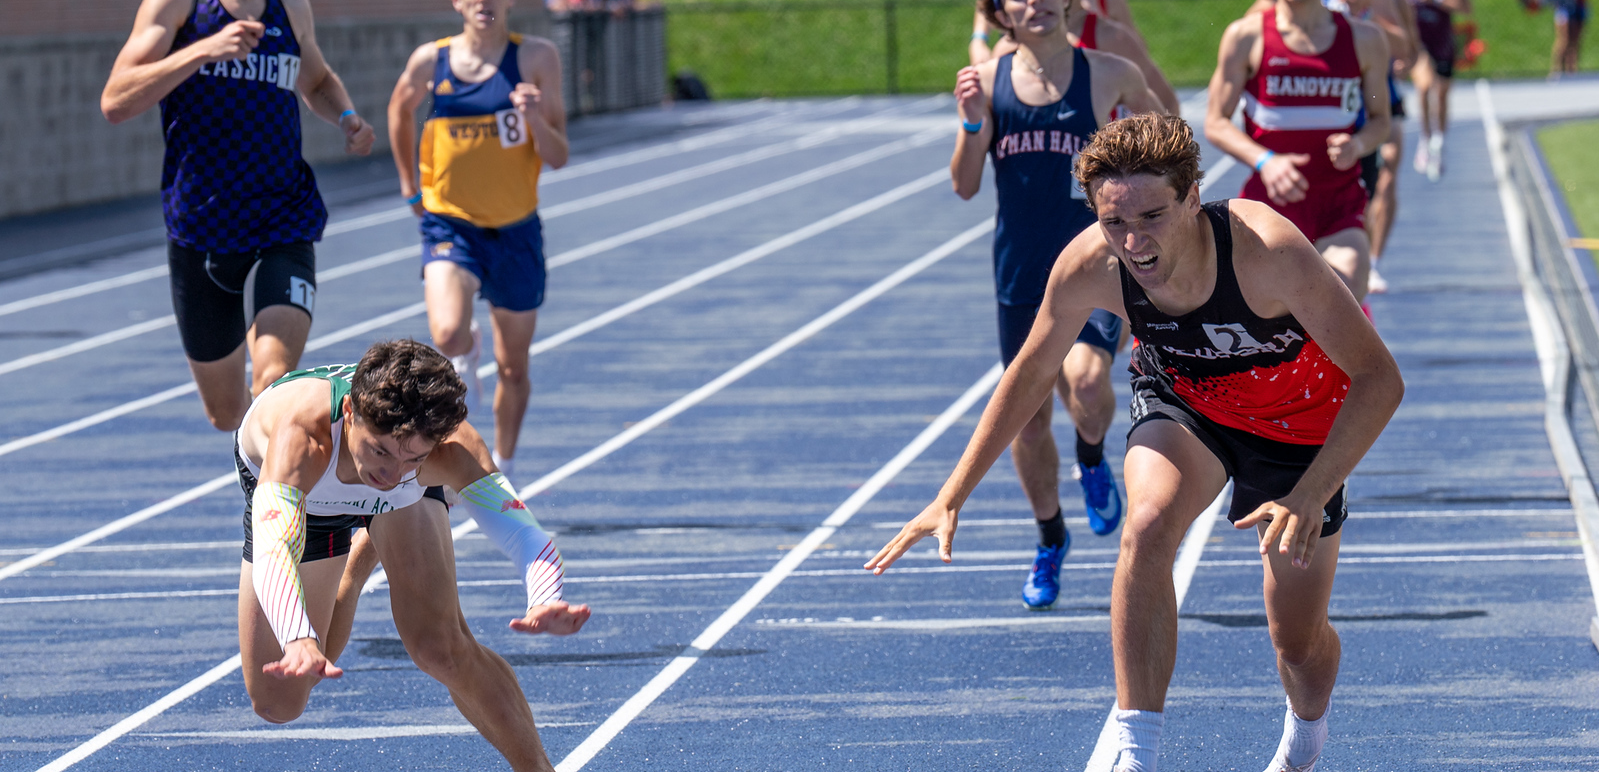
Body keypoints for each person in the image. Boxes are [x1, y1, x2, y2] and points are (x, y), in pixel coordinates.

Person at [868, 114, 1404, 772]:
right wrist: (950, 495)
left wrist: (1310, 491)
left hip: (1294, 429)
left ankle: (1304, 734)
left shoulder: (1267, 251)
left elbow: (1380, 380)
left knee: (1295, 642)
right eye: (1113, 222)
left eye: (1151, 216)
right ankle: (1137, 752)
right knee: (1145, 525)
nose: (1134, 242)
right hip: (1186, 403)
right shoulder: (1090, 264)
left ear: (1190, 197)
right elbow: (1031, 373)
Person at [236, 338, 590, 772]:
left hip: (403, 505)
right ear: (350, 412)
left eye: (412, 459)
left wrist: (545, 595)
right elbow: (277, 551)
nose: (389, 473)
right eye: (379, 450)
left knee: (440, 649)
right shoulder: (301, 440)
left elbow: (523, 534)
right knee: (278, 703)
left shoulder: (443, 451)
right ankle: (361, 555)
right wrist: (298, 638)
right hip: (308, 504)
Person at [956, 0, 1162, 610]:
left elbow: (1171, 159)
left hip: (1095, 267)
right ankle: (1050, 537)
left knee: (1090, 382)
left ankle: (1092, 458)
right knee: (1027, 418)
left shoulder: (1110, 73)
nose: (1036, 3)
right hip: (1020, 275)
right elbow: (965, 185)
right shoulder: (988, 82)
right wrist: (971, 123)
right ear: (1000, 11)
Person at [101, 0, 376, 432]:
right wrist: (203, 50)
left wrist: (346, 117)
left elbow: (317, 78)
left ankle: (271, 498)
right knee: (227, 414)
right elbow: (115, 100)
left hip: (282, 220)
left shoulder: (290, 8)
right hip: (201, 231)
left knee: (272, 381)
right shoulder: (178, 8)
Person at [389, 0, 569, 482]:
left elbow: (558, 155)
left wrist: (532, 117)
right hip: (452, 224)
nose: (484, 3)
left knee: (513, 368)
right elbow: (398, 109)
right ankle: (465, 349)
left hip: (515, 231)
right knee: (446, 334)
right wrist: (411, 187)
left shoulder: (536, 58)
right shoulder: (433, 61)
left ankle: (504, 466)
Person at [1206, 0, 1392, 309]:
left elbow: (1381, 120)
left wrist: (1358, 145)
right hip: (1270, 206)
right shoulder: (1247, 36)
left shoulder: (1364, 39)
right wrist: (1265, 161)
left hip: (1338, 203)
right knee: (1269, 311)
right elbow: (1216, 122)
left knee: (1343, 294)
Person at [1409, 0, 1470, 180]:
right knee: (1424, 86)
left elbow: (1466, 9)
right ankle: (1425, 137)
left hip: (1442, 44)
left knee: (1442, 93)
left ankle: (1439, 139)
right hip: (1420, 44)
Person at [1552, 0, 1588, 77]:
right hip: (1564, 8)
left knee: (1575, 43)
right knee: (1563, 40)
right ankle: (1557, 72)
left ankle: (1571, 72)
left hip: (1579, 7)